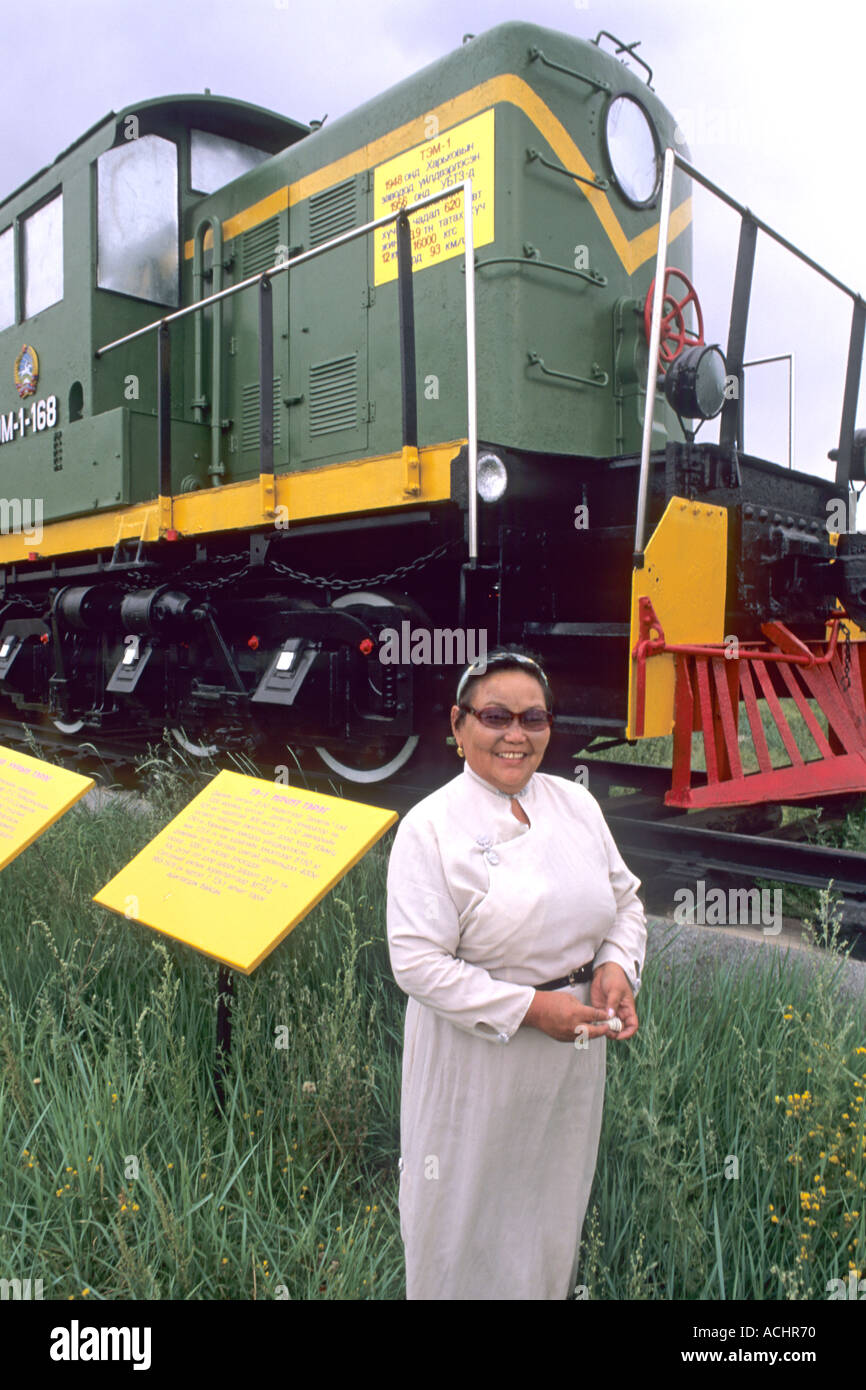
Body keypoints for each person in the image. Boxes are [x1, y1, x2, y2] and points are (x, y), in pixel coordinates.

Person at [386, 648, 647, 1300]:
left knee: (549, 1205)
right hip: (475, 1056)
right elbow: (417, 964)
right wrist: (533, 1010)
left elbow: (626, 902)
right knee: (463, 1208)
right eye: (496, 716)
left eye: (534, 719)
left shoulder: (576, 804)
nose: (516, 735)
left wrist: (616, 966)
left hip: (572, 1052)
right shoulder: (431, 828)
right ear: (458, 723)